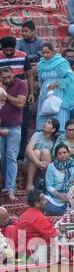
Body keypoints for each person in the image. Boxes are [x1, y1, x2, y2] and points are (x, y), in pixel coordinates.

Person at [0, 63, 27, 201]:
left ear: (13, 74)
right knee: (1, 158)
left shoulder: (21, 84)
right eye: (4, 78)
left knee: (10, 156)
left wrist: (5, 94)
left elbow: (20, 103)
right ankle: (6, 185)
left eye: (9, 77)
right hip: (0, 127)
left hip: (14, 126)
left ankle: (10, 188)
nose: (7, 80)